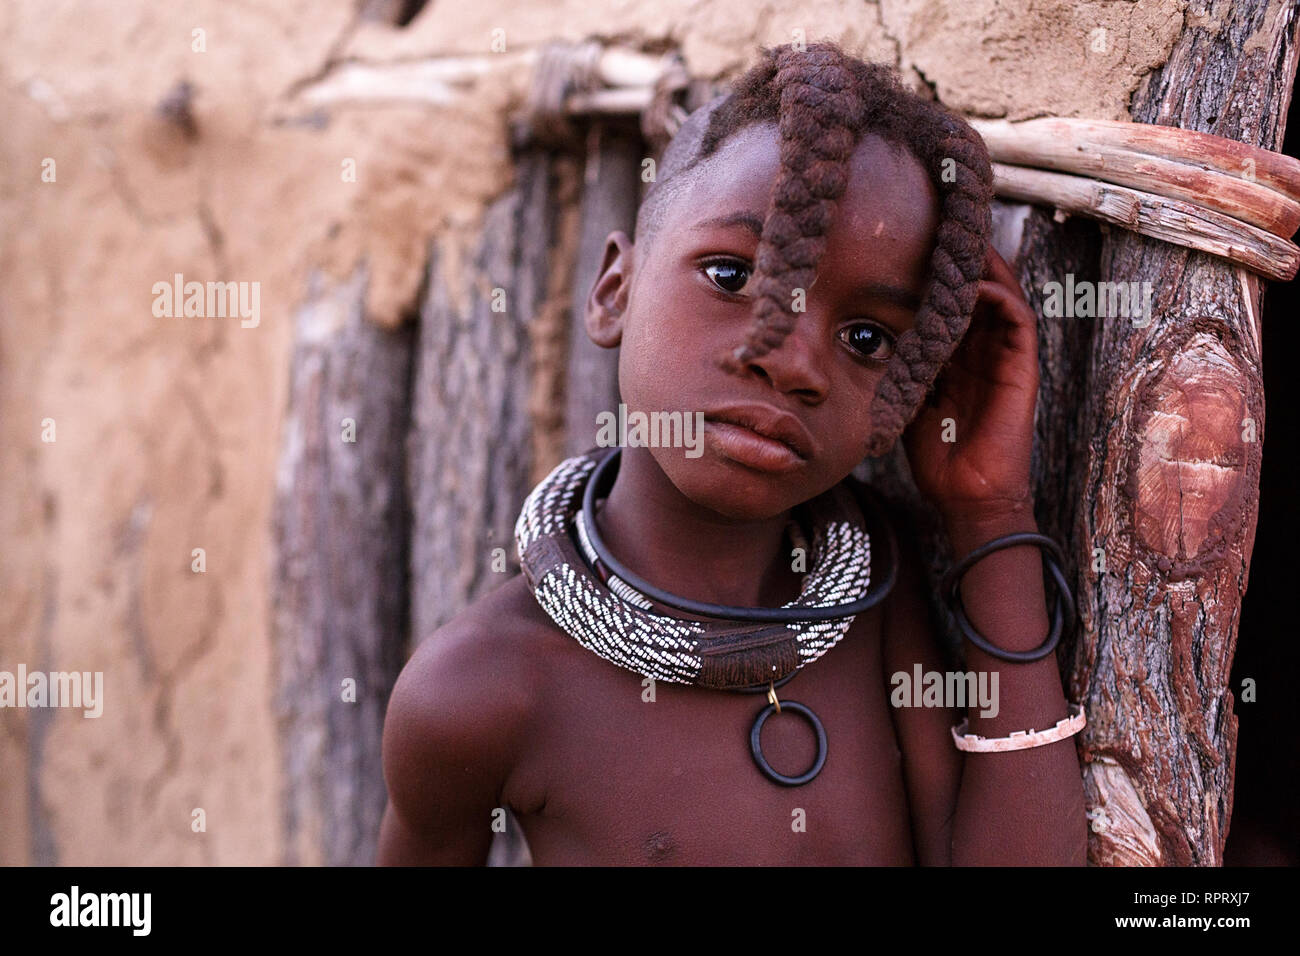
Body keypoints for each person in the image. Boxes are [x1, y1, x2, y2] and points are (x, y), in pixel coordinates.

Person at [377, 40, 1087, 866]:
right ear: (613, 291)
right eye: (728, 275)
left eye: (865, 337)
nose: (791, 360)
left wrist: (987, 512)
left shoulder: (870, 592)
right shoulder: (479, 691)